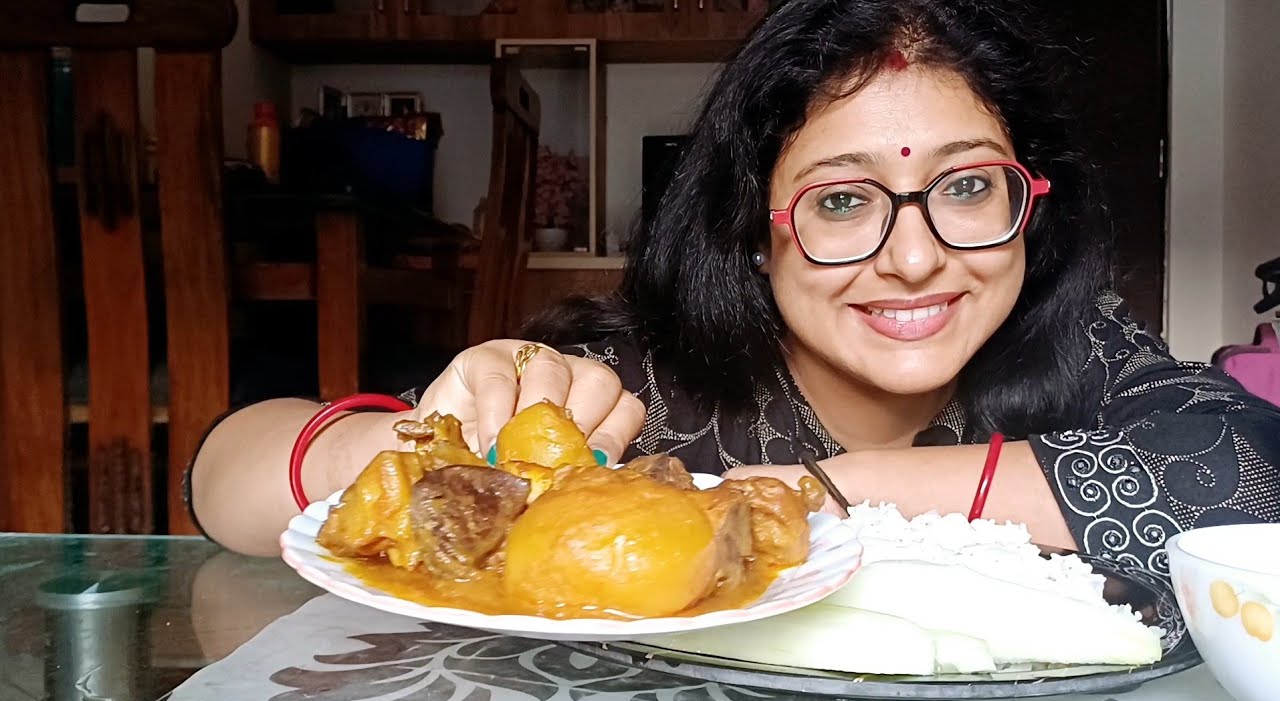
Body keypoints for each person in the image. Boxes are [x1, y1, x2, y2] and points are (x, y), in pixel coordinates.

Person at [190, 0, 1280, 570]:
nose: (913, 257)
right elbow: (221, 481)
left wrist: (828, 491)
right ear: (755, 232)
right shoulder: (638, 392)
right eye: (841, 201)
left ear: (1028, 203)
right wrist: (403, 445)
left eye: (965, 188)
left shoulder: (1075, 350)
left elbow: (1247, 476)